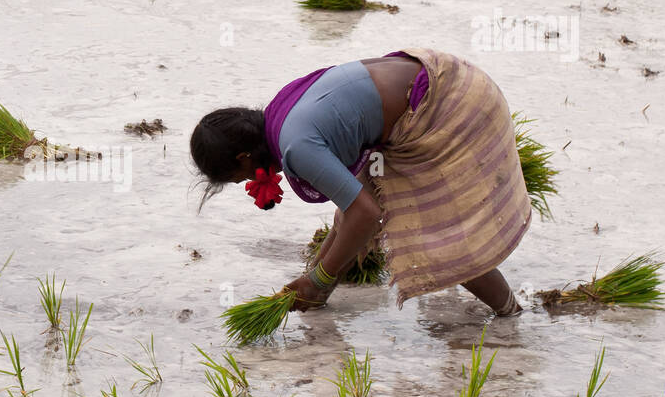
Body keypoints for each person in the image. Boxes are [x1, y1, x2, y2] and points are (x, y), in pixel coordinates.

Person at [190, 48, 530, 316]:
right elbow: (351, 212)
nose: (246, 181)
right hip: (448, 74)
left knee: (436, 236)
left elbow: (366, 216)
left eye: (237, 178)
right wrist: (316, 287)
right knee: (364, 205)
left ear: (243, 158)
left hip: (452, 106)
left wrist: (317, 277)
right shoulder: (282, 112)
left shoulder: (296, 147)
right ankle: (321, 295)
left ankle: (510, 315)